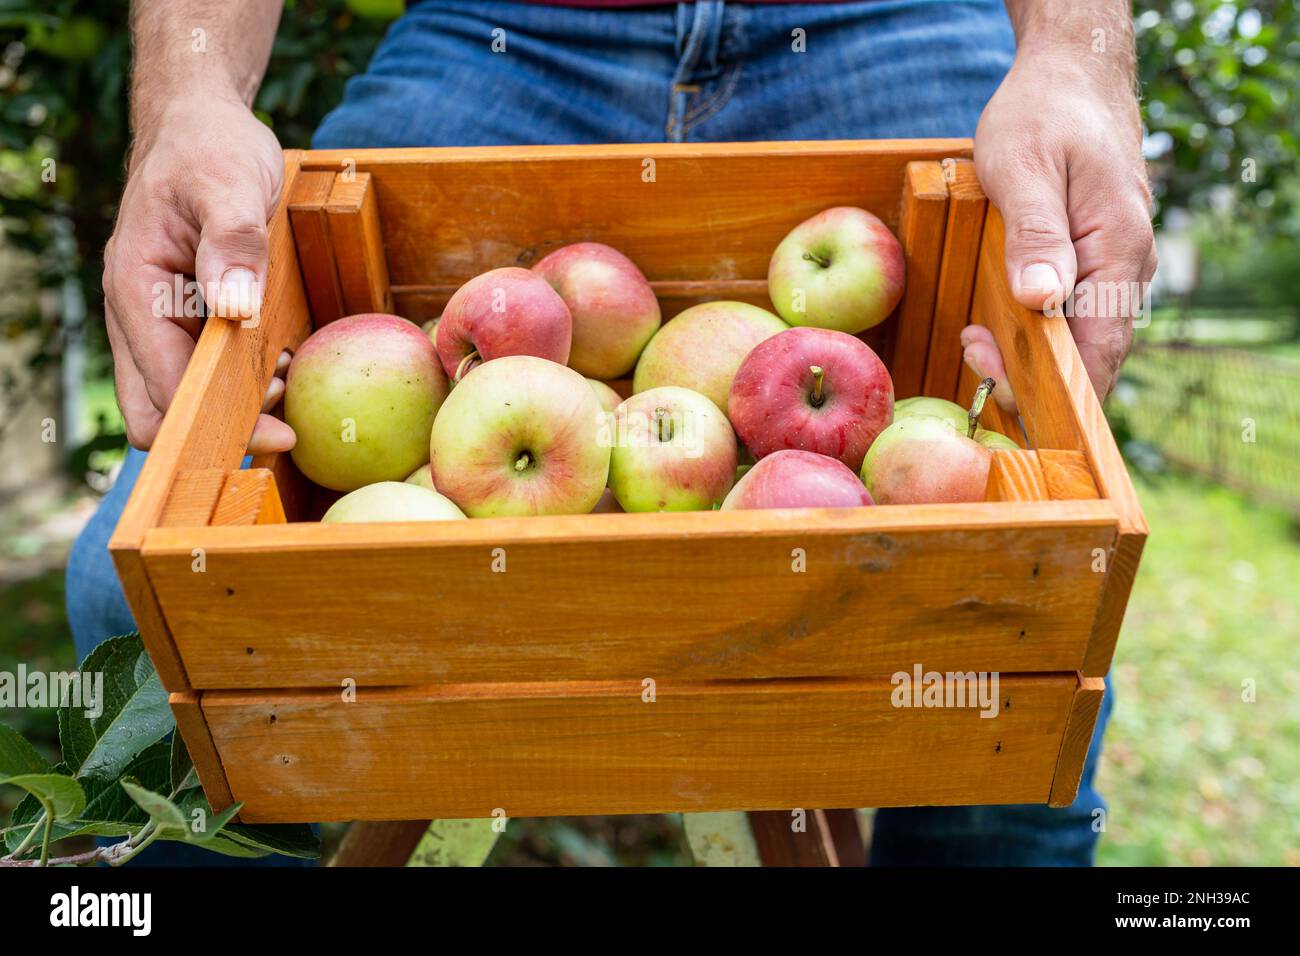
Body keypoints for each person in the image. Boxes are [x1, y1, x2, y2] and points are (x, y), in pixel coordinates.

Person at [71, 0, 1155, 866]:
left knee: (1032, 589)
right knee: (133, 583)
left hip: (888, 11)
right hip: (508, 23)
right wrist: (190, 98)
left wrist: (1076, 60)